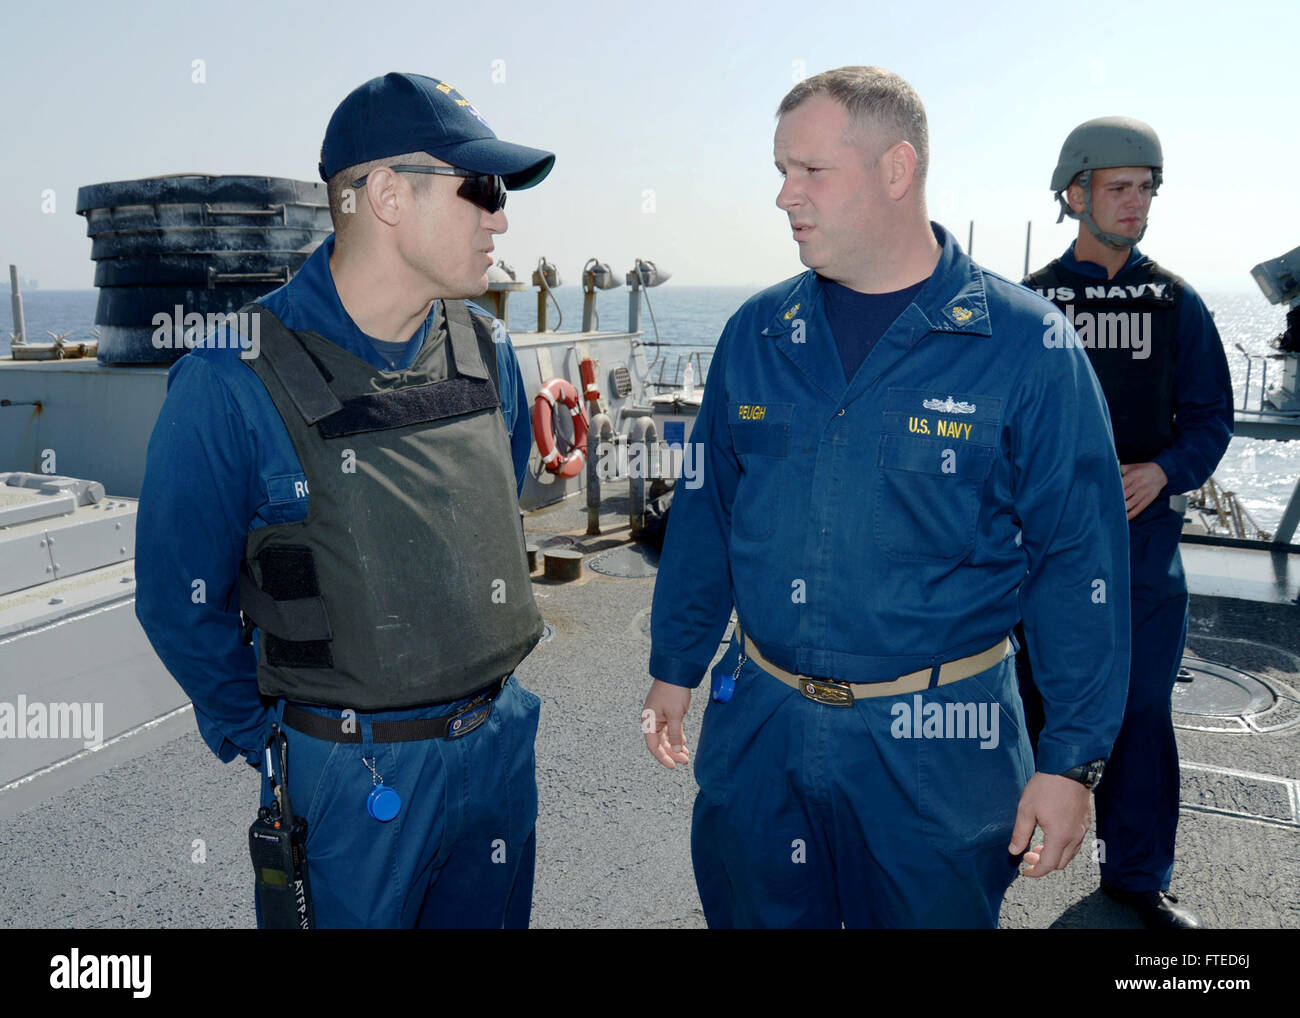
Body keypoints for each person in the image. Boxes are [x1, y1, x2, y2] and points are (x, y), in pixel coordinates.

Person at [641, 65, 1132, 928]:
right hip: (760, 725)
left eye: (810, 171)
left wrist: (1071, 761)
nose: (785, 195)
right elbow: (707, 516)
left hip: (937, 748)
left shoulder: (1028, 348)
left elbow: (1078, 561)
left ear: (897, 170)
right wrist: (674, 668)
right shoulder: (756, 334)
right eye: (780, 169)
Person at [134, 72, 554, 928]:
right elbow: (178, 600)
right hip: (352, 781)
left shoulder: (487, 348)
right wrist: (271, 742)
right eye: (480, 188)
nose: (501, 217)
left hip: (498, 754)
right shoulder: (227, 380)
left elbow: (494, 493)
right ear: (388, 196)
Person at [1020, 117, 1233, 929]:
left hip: (1143, 551)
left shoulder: (1177, 305)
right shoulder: (1028, 304)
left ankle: (1137, 880)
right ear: (1075, 195)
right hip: (1040, 549)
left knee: (1142, 713)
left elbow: (1210, 418)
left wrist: (1163, 470)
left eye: (1146, 188)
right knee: (1024, 702)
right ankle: (994, 854)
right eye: (1119, 188)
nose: (1136, 203)